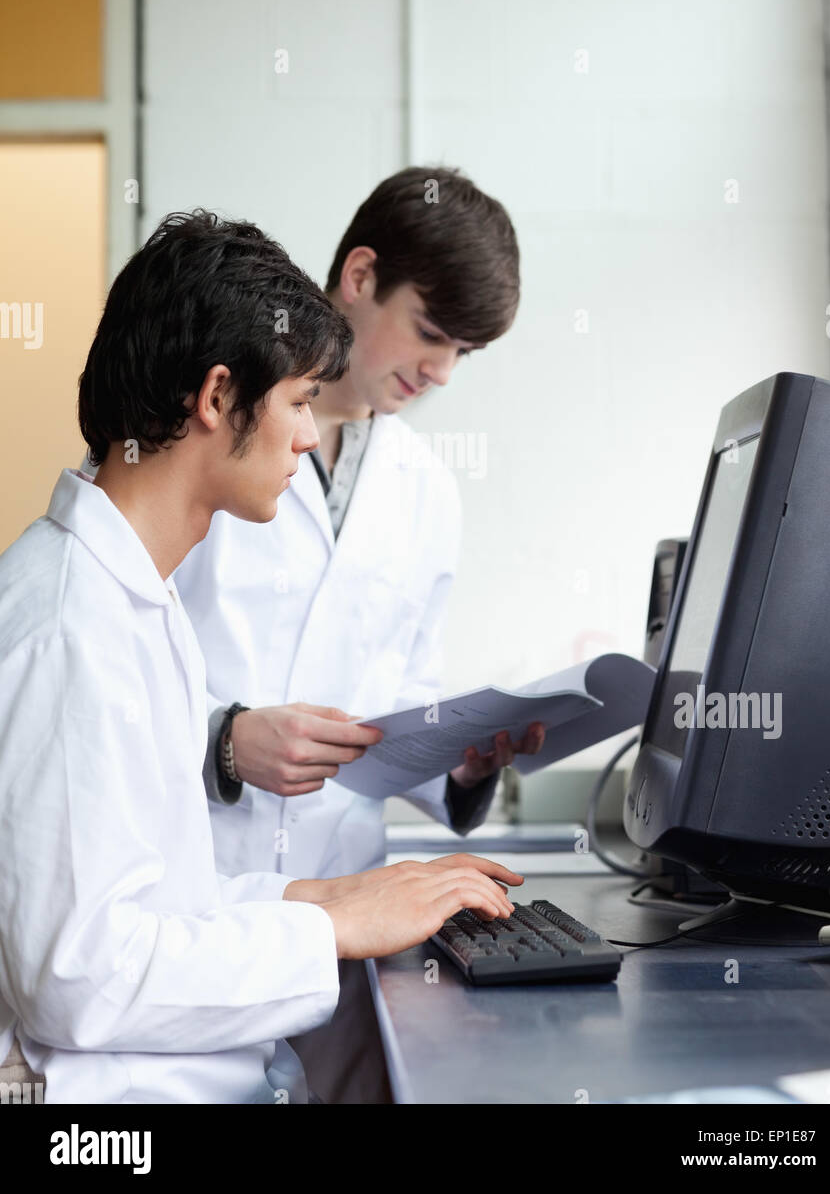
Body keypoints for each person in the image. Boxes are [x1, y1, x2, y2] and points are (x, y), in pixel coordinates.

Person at [0, 210, 523, 1104]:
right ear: (215, 399)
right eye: (296, 402)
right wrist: (329, 924)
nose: (310, 434)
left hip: (215, 1014)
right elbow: (78, 978)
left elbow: (166, 905)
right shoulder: (69, 627)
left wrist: (339, 903)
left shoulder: (130, 596)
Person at [173, 167, 544, 1101]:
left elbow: (400, 698)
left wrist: (462, 761)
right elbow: (116, 658)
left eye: (465, 351)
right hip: (199, 902)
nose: (442, 372)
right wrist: (224, 737)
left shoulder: (426, 489)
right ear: (361, 275)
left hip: (347, 914)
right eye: (430, 332)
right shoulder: (211, 427)